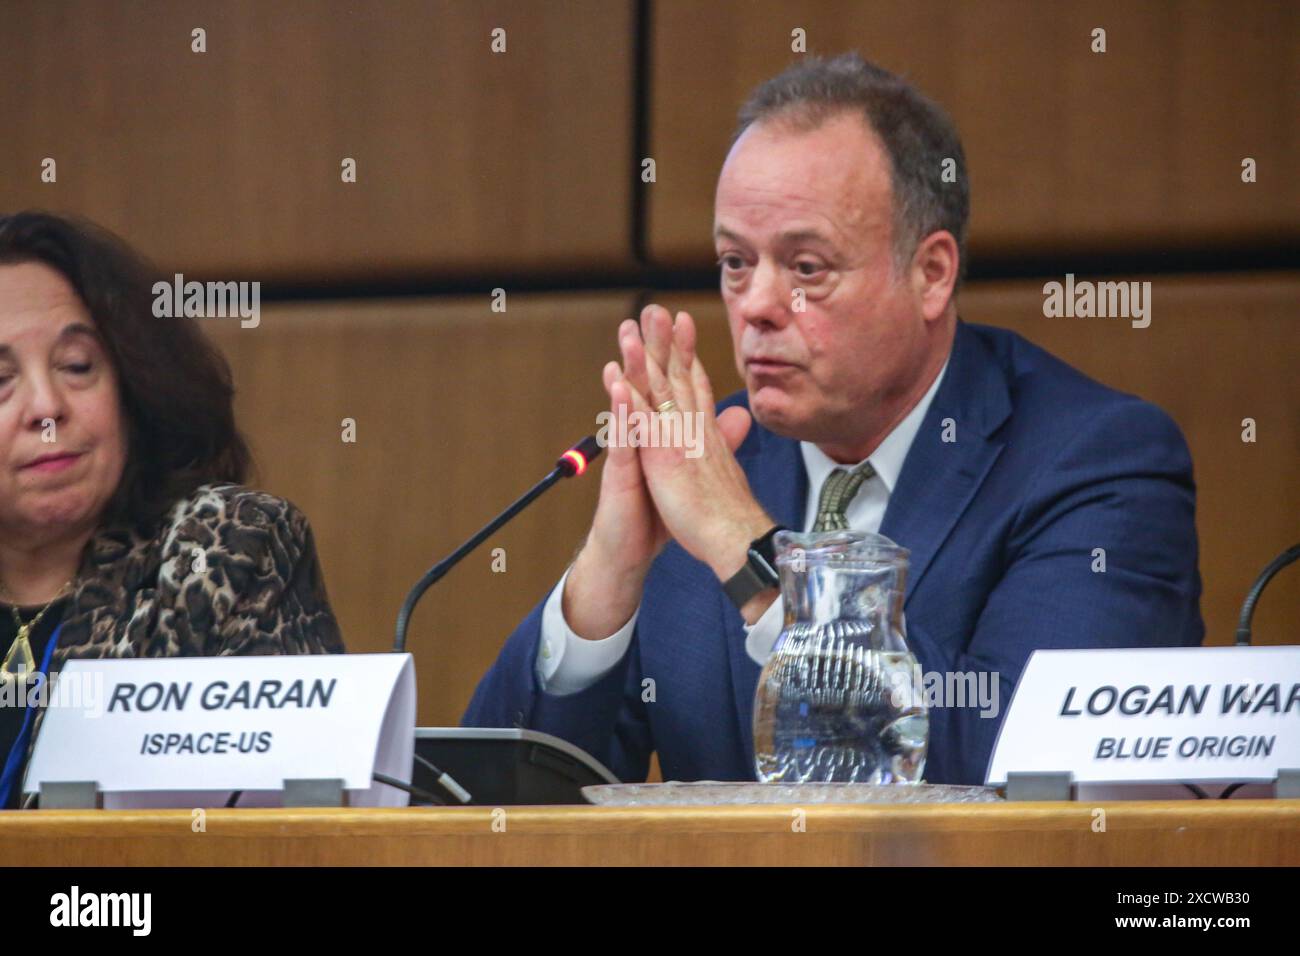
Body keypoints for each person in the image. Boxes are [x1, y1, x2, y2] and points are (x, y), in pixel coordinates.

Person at [464, 53, 1203, 785]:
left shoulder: (1096, 463)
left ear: (931, 273)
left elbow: (1033, 771)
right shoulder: (708, 461)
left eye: (807, 267)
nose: (755, 304)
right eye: (734, 262)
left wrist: (751, 559)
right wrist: (607, 575)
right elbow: (486, 809)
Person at [0, 211, 344, 808]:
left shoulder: (224, 552)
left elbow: (281, 840)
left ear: (131, 383)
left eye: (78, 366)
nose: (47, 407)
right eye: (1, 380)